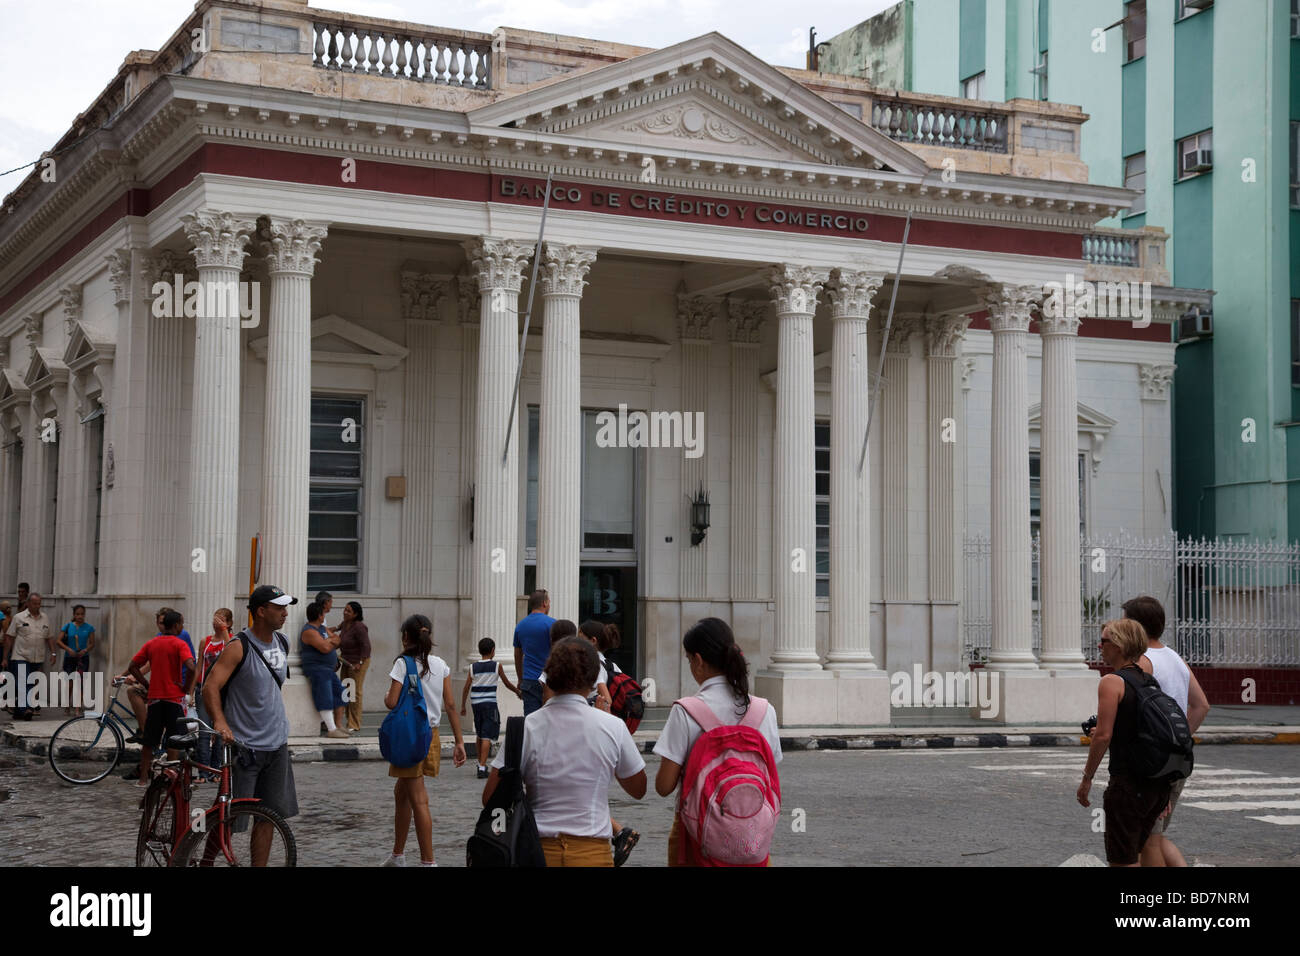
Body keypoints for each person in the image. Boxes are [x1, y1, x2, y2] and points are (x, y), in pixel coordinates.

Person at [484, 637, 646, 867]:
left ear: (549, 676)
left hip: (536, 851)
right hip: (592, 853)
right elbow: (639, 789)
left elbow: (489, 796)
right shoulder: (612, 727)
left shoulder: (526, 728)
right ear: (593, 680)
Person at [654, 617, 783, 866]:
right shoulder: (764, 710)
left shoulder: (686, 711)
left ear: (698, 660)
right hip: (752, 835)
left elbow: (664, 786)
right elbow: (771, 774)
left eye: (689, 660)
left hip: (696, 838)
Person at [201, 585, 299, 866]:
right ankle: (206, 861)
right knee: (228, 819)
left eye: (285, 607)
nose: (285, 613)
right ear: (261, 611)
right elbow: (210, 687)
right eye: (279, 608)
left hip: (277, 745)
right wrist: (220, 722)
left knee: (269, 816)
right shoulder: (238, 646)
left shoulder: (282, 642)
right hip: (244, 747)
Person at [1076, 618, 1174, 867]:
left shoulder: (1111, 682)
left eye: (1104, 641)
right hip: (1156, 785)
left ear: (1118, 645)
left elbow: (1103, 736)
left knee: (1123, 861)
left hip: (1128, 785)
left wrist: (1087, 778)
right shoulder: (1150, 681)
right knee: (1136, 854)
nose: (1100, 646)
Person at [1123, 595, 1211, 868]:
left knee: (1148, 840)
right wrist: (1179, 741)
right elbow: (1201, 705)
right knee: (1155, 836)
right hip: (1175, 761)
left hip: (1152, 765)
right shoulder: (1174, 657)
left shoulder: (1143, 662)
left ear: (1135, 626)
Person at [382, 614, 467, 867]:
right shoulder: (440, 664)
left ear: (406, 637)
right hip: (431, 734)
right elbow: (450, 705)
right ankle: (397, 854)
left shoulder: (403, 664)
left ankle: (428, 862)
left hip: (409, 736)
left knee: (418, 799)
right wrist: (459, 742)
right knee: (402, 792)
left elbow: (392, 702)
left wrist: (387, 694)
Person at [127, 610, 196, 786]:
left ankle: (143, 778)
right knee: (173, 739)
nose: (182, 626)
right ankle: (169, 776)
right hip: (174, 698)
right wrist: (186, 687)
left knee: (150, 741)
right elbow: (192, 667)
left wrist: (145, 683)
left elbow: (133, 666)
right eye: (181, 623)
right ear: (176, 625)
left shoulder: (152, 644)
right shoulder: (180, 644)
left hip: (155, 698)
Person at [460, 637, 521, 779]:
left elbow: (466, 687)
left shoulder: (472, 667)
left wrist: (463, 705)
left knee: (480, 733)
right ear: (493, 651)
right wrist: (518, 692)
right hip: (489, 704)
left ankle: (479, 762)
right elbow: (506, 683)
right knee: (487, 734)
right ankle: (482, 767)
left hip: (476, 704)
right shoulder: (496, 666)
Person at [194, 609, 234, 780]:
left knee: (220, 733)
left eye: (222, 619)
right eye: (215, 618)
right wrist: (190, 691)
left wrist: (224, 630)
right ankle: (203, 771)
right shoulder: (206, 641)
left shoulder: (232, 640)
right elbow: (199, 666)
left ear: (229, 623)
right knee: (204, 731)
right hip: (204, 690)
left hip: (223, 692)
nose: (216, 622)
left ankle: (216, 770)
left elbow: (231, 650)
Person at [299, 601, 348, 738]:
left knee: (341, 693)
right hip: (318, 669)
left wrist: (328, 641)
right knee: (324, 697)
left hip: (328, 670)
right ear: (320, 615)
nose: (325, 616)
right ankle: (331, 729)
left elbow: (338, 640)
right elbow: (325, 648)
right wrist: (330, 642)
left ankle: (337, 725)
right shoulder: (309, 631)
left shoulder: (322, 628)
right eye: (323, 613)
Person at [3, 592, 54, 720]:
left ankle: (19, 711)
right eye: (35, 603)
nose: (38, 606)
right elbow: (9, 637)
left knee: (31, 682)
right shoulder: (19, 618)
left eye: (39, 604)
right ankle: (26, 709)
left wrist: (53, 653)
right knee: (23, 682)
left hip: (37, 658)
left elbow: (49, 637)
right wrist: (4, 657)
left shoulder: (45, 618)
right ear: (28, 604)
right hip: (20, 656)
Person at [513, 589, 556, 716]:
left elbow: (517, 655)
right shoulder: (552, 624)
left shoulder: (520, 625)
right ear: (544, 603)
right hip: (549, 681)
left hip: (529, 680)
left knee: (531, 721)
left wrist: (520, 679)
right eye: (549, 602)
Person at [338, 601, 371, 732]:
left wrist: (360, 663)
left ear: (356, 614)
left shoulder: (359, 627)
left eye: (348, 611)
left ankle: (354, 724)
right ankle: (348, 721)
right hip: (346, 661)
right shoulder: (345, 624)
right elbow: (335, 629)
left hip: (358, 662)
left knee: (355, 692)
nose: (345, 612)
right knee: (345, 691)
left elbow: (366, 647)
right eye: (345, 609)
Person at [56, 604, 95, 715]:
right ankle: (67, 706)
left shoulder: (89, 628)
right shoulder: (68, 626)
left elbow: (92, 643)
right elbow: (58, 641)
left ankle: (78, 708)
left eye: (82, 614)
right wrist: (68, 649)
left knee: (81, 682)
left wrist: (86, 650)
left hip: (83, 658)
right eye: (77, 614)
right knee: (70, 683)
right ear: (74, 614)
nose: (80, 616)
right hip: (69, 658)